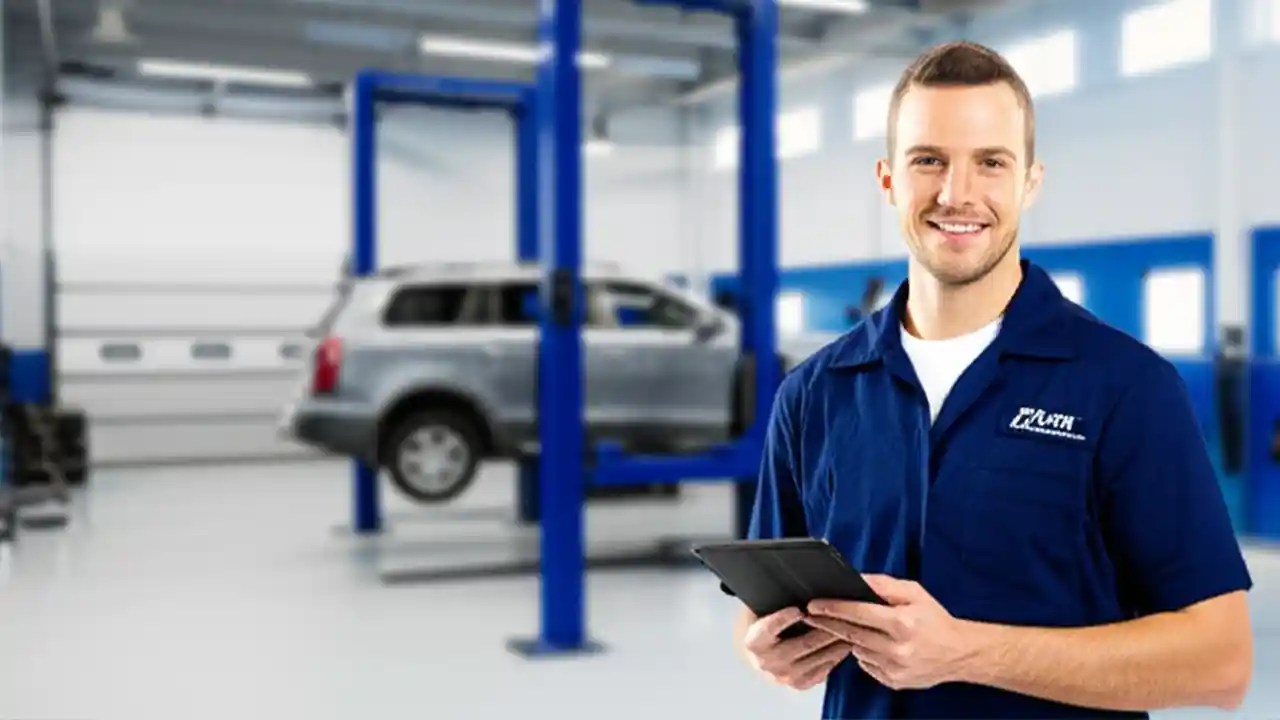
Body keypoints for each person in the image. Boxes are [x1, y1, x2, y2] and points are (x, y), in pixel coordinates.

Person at [737, 41, 1254, 719]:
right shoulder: (815, 392)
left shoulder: (1123, 387)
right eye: (928, 160)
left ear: (1029, 182)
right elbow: (763, 606)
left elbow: (1220, 664)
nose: (958, 194)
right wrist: (768, 645)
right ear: (888, 178)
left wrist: (964, 652)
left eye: (990, 162)